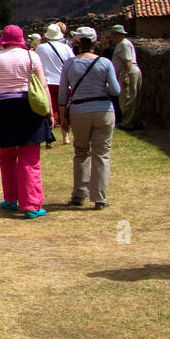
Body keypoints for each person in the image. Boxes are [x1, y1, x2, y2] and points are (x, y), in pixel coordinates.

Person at [0, 25, 54, 218]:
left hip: (3, 109)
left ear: (3, 40)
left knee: (7, 156)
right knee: (30, 157)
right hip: (27, 107)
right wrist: (50, 113)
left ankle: (11, 198)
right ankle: (31, 204)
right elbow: (43, 85)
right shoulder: (31, 56)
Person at [59, 27, 121, 209]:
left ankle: (79, 194)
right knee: (101, 154)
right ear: (95, 43)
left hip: (79, 111)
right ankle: (100, 197)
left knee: (81, 152)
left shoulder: (69, 64)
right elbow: (116, 90)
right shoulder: (105, 63)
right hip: (103, 110)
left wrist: (63, 117)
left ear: (77, 43)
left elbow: (63, 96)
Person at [36, 25, 74, 142]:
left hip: (47, 82)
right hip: (63, 82)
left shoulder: (40, 48)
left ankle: (49, 136)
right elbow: (71, 63)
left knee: (49, 110)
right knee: (63, 111)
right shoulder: (66, 48)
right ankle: (65, 136)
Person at [109, 25, 144, 130]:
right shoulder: (122, 44)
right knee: (129, 97)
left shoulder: (124, 44)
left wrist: (125, 75)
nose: (112, 36)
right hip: (128, 72)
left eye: (113, 34)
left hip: (129, 72)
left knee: (127, 98)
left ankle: (127, 123)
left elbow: (128, 61)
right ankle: (131, 121)